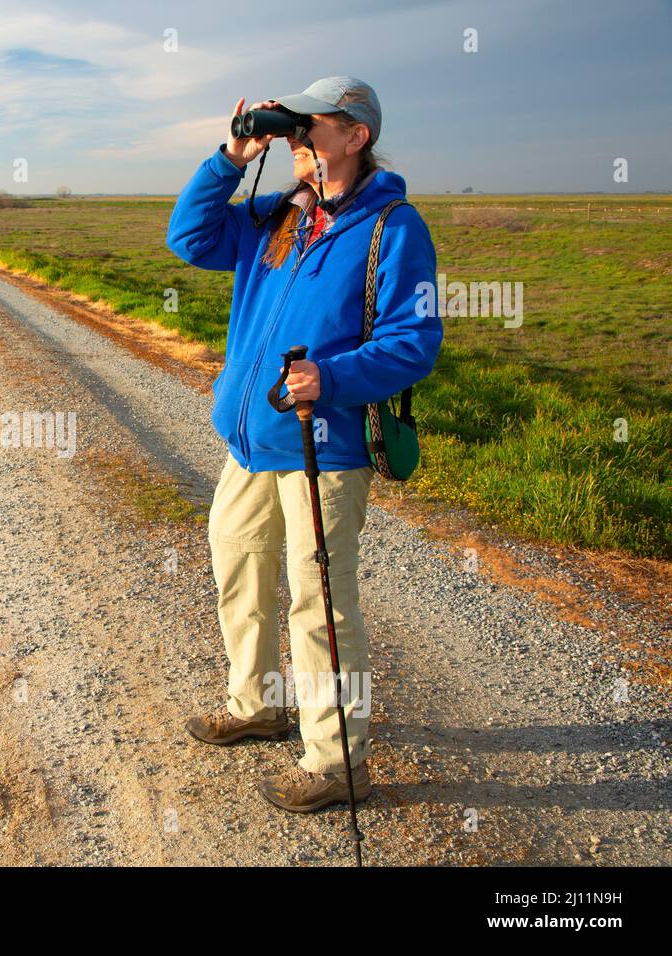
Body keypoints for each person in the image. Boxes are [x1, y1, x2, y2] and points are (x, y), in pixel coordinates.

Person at [166, 77, 442, 813]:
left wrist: (335, 375)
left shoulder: (394, 227)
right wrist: (233, 155)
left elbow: (415, 342)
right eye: (291, 129)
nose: (295, 140)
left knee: (319, 605)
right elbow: (188, 238)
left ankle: (335, 759)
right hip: (254, 442)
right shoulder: (278, 216)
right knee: (239, 569)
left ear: (355, 135)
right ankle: (256, 704)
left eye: (308, 127)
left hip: (326, 446)